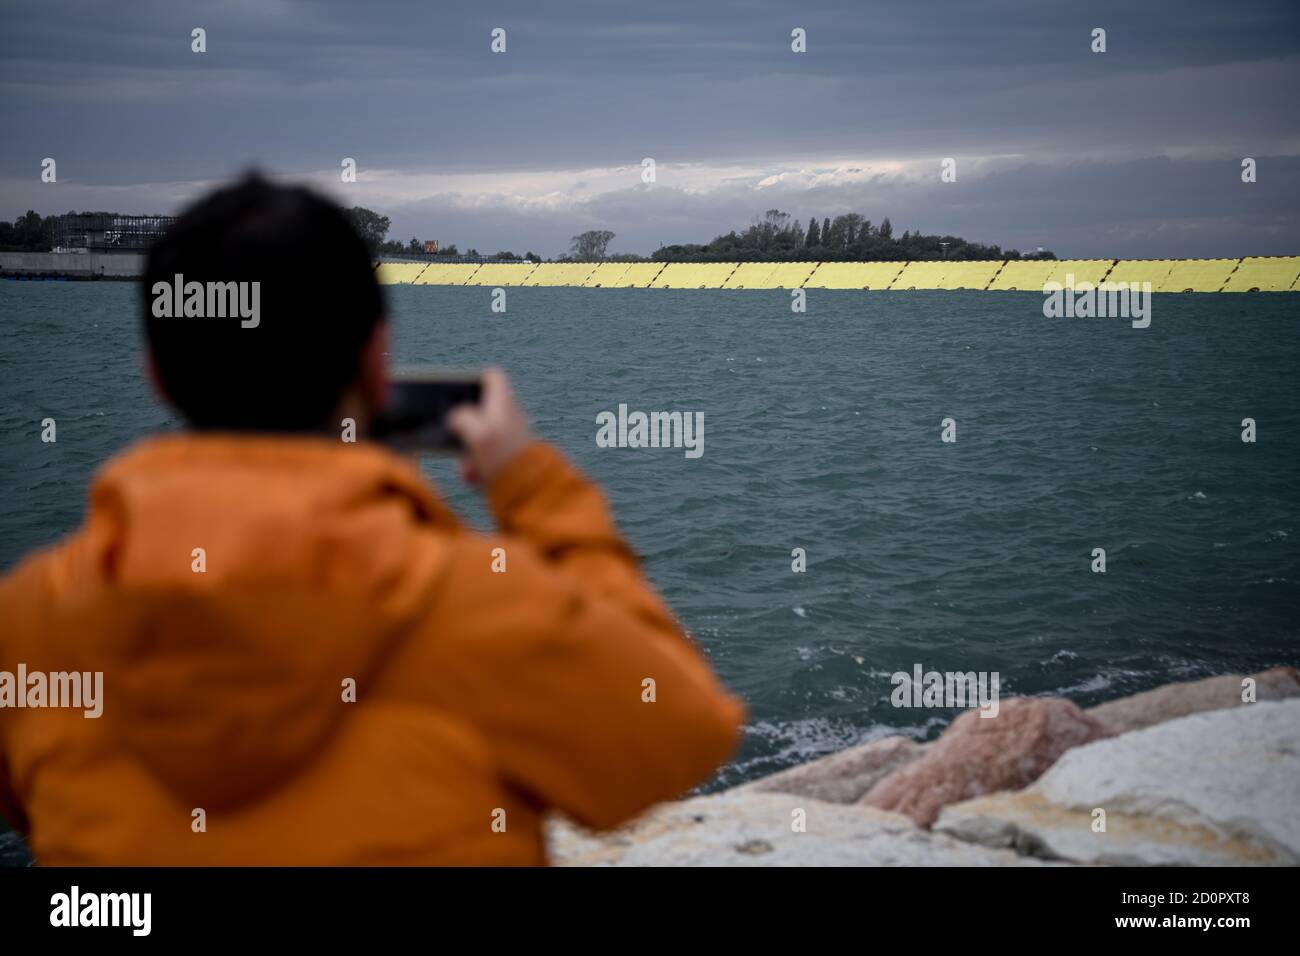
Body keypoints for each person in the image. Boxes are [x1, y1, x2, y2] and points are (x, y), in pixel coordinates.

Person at [0, 174, 744, 865]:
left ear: (156, 372)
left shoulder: (30, 617)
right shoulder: (479, 607)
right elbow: (682, 736)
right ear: (375, 362)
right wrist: (532, 485)